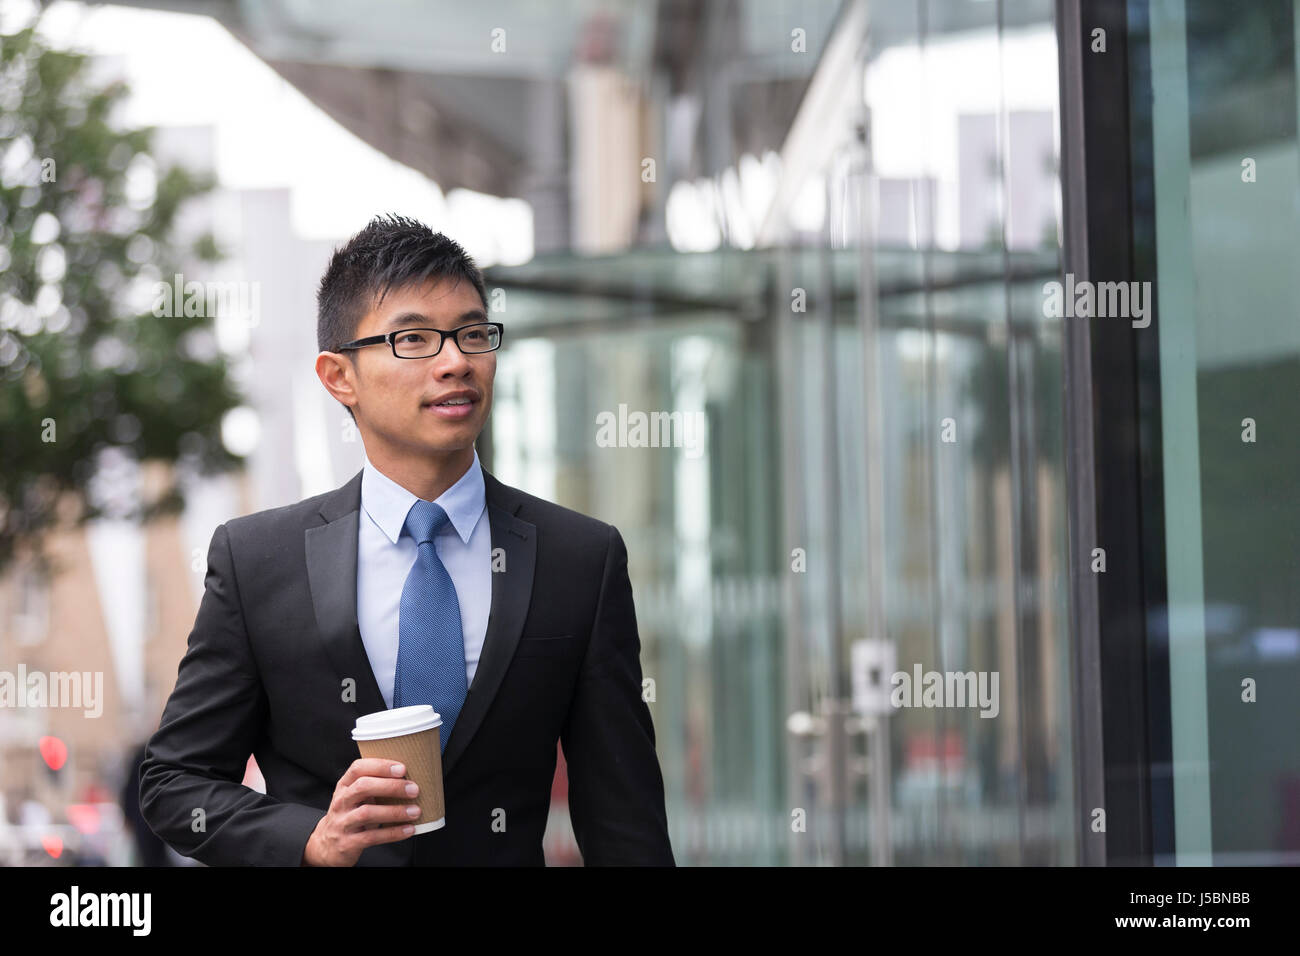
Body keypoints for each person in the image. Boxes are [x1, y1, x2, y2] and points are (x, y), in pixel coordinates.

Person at [139, 215, 674, 866]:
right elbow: (175, 784)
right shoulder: (257, 563)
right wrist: (311, 840)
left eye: (473, 334)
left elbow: (626, 825)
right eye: (415, 339)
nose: (456, 362)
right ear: (340, 376)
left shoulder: (579, 560)